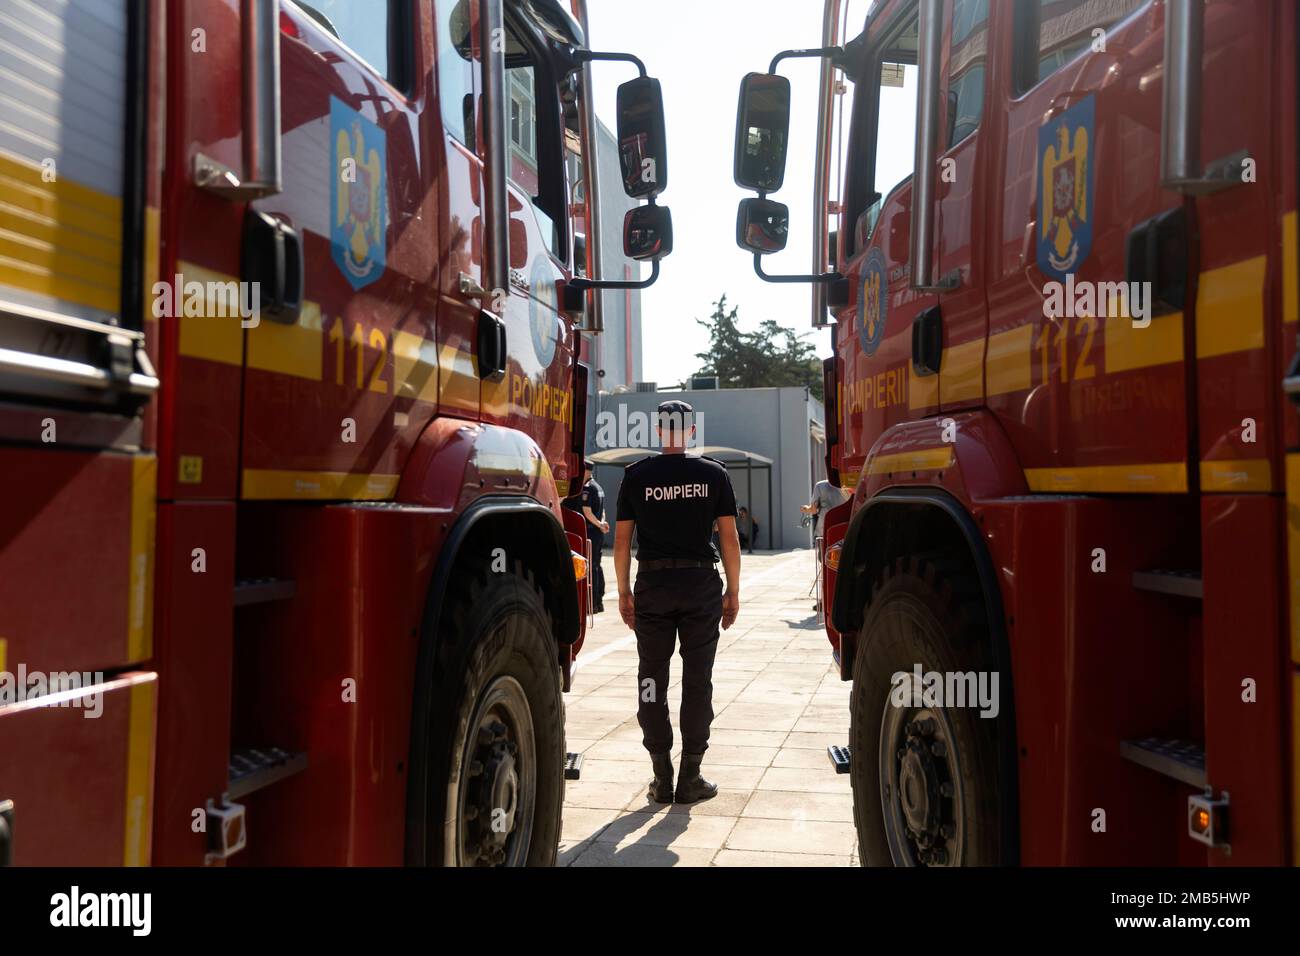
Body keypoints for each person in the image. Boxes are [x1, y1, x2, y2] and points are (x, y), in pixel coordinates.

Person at [614, 400, 742, 805]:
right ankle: (691, 776)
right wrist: (733, 591)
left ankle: (661, 775)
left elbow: (621, 542)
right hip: (699, 584)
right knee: (696, 679)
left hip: (653, 583)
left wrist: (623, 592)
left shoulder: (636, 476)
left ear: (657, 431)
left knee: (651, 678)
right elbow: (729, 539)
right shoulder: (713, 474)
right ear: (689, 431)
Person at [578, 460, 608, 612]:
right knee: (597, 566)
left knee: (590, 568)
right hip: (598, 533)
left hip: (591, 531)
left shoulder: (587, 489)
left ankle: (592, 603)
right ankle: (599, 601)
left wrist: (598, 524)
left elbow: (587, 511)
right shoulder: (598, 487)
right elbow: (602, 511)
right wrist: (602, 523)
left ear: (586, 471)